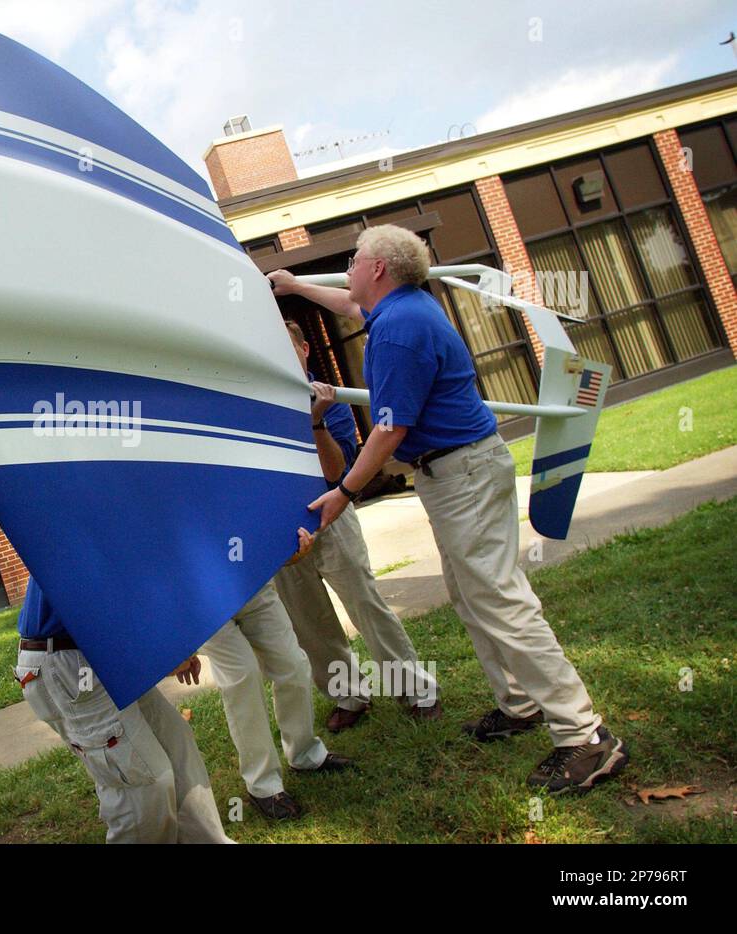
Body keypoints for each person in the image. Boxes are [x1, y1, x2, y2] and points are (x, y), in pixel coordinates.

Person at [278, 225, 627, 795]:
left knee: (499, 598)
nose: (347, 266)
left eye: (354, 259)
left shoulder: (397, 333)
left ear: (378, 270)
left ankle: (586, 735)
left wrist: (344, 492)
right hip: (457, 472)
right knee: (472, 594)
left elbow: (389, 429)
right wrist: (293, 283)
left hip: (461, 472)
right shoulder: (405, 306)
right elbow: (345, 299)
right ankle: (518, 705)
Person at [266, 316, 441, 731]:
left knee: (366, 605)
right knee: (310, 623)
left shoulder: (333, 397)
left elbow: (337, 471)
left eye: (287, 347)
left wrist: (315, 420)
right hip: (281, 531)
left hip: (331, 517)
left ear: (305, 349)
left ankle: (416, 690)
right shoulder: (260, 404)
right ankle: (350, 696)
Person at [15, 576, 233, 843]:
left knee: (177, 744)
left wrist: (173, 648)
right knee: (145, 780)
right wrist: (160, 657)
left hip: (100, 650)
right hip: (67, 661)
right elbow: (104, 594)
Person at [200, 577, 353, 820]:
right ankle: (263, 785)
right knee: (242, 677)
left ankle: (304, 753)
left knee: (293, 664)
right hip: (200, 600)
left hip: (250, 582)